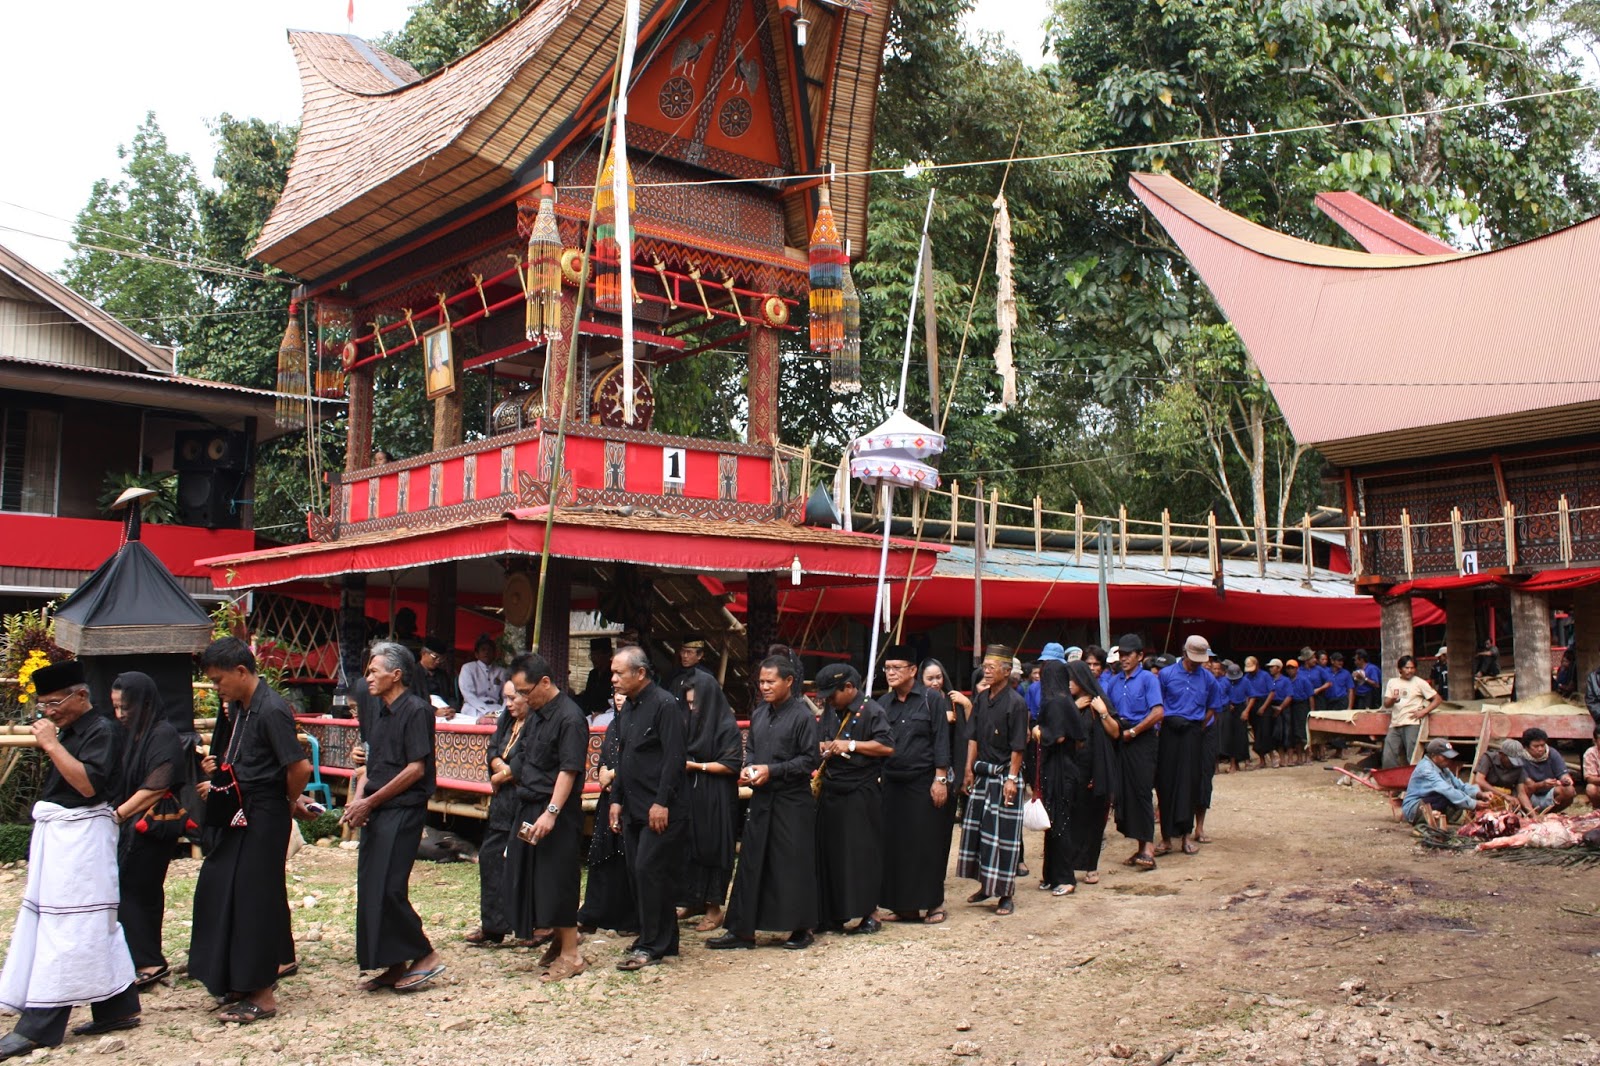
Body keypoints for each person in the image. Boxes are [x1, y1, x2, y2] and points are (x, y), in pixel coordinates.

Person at [0, 660, 139, 1059]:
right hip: (64, 834)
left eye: (54, 703)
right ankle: (117, 1007)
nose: (49, 712)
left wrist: (51, 744)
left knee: (68, 924)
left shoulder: (102, 730)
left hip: (83, 837)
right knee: (94, 922)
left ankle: (41, 1024)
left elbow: (88, 785)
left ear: (80, 696)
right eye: (43, 705)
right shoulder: (73, 730)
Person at [189, 638, 313, 1024]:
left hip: (264, 813)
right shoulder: (240, 706)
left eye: (218, 680)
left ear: (241, 672)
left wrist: (287, 802)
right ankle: (236, 980)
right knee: (221, 888)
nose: (216, 688)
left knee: (254, 900)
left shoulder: (271, 708)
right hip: (241, 810)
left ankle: (262, 994)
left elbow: (300, 768)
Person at [344, 643, 442, 992]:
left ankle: (424, 954)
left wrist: (370, 802)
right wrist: (359, 801)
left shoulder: (416, 710)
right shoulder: (380, 712)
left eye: (374, 672)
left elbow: (415, 769)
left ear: (396, 675)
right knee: (372, 887)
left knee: (390, 886)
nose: (368, 678)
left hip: (403, 809)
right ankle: (394, 962)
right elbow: (372, 766)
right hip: (376, 808)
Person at [709, 656, 820, 950]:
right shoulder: (759, 713)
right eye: (761, 682)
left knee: (792, 863)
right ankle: (742, 930)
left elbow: (810, 760)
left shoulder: (803, 716)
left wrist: (773, 770)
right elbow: (754, 750)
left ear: (789, 681)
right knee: (751, 861)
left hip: (792, 799)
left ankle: (801, 927)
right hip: (762, 797)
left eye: (771, 681)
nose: (765, 687)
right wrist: (750, 768)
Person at [504, 653, 589, 981]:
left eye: (526, 692)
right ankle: (558, 939)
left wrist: (551, 813)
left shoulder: (570, 717)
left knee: (557, 878)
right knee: (533, 877)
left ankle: (572, 955)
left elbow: (569, 770)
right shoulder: (537, 714)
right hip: (529, 804)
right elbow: (525, 755)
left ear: (545, 682)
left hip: (555, 810)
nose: (524, 699)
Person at [608, 646, 688, 971]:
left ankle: (651, 944)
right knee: (637, 873)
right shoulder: (628, 707)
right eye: (612, 673)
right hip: (632, 805)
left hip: (659, 807)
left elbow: (674, 758)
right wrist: (615, 799)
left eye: (619, 673)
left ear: (640, 673)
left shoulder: (665, 705)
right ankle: (661, 938)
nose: (614, 679)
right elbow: (623, 757)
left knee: (649, 870)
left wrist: (662, 801)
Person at [110, 672, 186, 991]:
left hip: (150, 827)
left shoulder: (162, 734)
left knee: (138, 891)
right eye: (115, 707)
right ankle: (137, 958)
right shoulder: (131, 734)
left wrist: (118, 815)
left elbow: (158, 785)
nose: (120, 714)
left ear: (143, 703)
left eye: (125, 707)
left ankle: (149, 962)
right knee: (131, 890)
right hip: (130, 825)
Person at [812, 664, 894, 934]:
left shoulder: (872, 710)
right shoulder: (830, 710)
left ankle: (870, 913)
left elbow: (887, 746)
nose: (829, 701)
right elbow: (823, 738)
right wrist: (824, 746)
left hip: (860, 790)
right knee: (832, 854)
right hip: (832, 789)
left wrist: (852, 745)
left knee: (860, 854)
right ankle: (834, 913)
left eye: (832, 695)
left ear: (848, 687)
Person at [880, 646, 955, 925]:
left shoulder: (930, 699)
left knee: (926, 842)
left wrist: (940, 778)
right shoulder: (883, 703)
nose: (891, 673)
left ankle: (934, 903)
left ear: (913, 670)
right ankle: (904, 906)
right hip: (892, 782)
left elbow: (941, 739)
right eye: (887, 668)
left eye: (896, 668)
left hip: (923, 781)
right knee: (896, 844)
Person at [957, 644, 1030, 915]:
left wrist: (1012, 779)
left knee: (1004, 837)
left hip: (1004, 775)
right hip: (983, 774)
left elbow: (1018, 747)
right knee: (980, 833)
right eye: (985, 667)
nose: (986, 671)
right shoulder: (981, 698)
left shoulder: (1016, 703)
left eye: (992, 667)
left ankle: (1006, 894)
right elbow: (973, 737)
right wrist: (968, 770)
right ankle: (986, 886)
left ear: (1007, 671)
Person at [676, 667, 742, 933]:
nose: (692, 708)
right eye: (689, 703)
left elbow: (732, 764)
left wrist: (697, 766)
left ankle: (714, 908)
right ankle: (692, 901)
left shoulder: (725, 725)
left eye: (696, 703)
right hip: (691, 793)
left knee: (713, 846)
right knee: (689, 845)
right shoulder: (688, 724)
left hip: (717, 795)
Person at [465, 679, 528, 946]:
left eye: (514, 698)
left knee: (521, 861)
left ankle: (526, 925)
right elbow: (492, 749)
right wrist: (502, 769)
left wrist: (502, 774)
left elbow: (528, 760)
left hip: (525, 802)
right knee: (490, 857)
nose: (509, 704)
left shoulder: (537, 722)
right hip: (503, 802)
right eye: (506, 698)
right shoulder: (507, 720)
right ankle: (493, 924)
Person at [1103, 633, 1164, 870]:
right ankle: (1140, 848)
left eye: (1129, 654)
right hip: (1121, 739)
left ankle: (1148, 847)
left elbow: (1158, 712)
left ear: (1140, 656)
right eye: (1122, 654)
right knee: (1125, 794)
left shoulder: (1148, 679)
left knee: (1141, 791)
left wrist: (1135, 731)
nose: (1124, 658)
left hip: (1142, 739)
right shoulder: (1114, 682)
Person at [576, 709, 638, 937]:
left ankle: (628, 919)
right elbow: (605, 756)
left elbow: (640, 759)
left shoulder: (641, 723)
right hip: (609, 800)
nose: (620, 699)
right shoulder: (615, 725)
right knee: (603, 854)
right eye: (616, 695)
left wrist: (614, 775)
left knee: (627, 858)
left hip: (632, 799)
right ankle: (595, 913)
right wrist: (603, 771)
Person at [1152, 636, 1211, 857]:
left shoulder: (1207, 678)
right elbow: (1158, 704)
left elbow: (1213, 706)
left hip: (1193, 733)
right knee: (1165, 782)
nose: (1196, 663)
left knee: (1190, 783)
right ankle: (1166, 837)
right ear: (1184, 653)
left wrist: (1197, 727)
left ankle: (1186, 835)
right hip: (1169, 732)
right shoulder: (1166, 675)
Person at [1064, 658, 1119, 885]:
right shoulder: (1067, 703)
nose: (1068, 684)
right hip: (1070, 769)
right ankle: (1068, 865)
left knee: (1094, 819)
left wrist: (1103, 712)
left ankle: (1091, 866)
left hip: (1095, 769)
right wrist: (1074, 709)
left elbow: (1115, 733)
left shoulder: (1099, 701)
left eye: (1072, 679)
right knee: (1071, 820)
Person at [1035, 659, 1087, 895]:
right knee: (1054, 823)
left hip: (1059, 771)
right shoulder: (1066, 701)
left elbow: (1057, 736)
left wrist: (1038, 732)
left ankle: (1065, 878)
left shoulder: (1056, 702)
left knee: (1060, 824)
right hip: (1064, 767)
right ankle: (1051, 875)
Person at [1381, 655, 1441, 769]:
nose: (1410, 671)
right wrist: (1393, 699)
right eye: (1407, 668)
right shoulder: (1392, 682)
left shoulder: (1420, 682)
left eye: (1412, 668)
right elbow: (1386, 704)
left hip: (1412, 723)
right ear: (1400, 669)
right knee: (1389, 754)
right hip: (1395, 723)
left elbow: (1437, 699)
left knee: (1413, 755)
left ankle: (1416, 776)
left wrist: (1424, 711)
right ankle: (1391, 776)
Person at [1401, 739, 1481, 825]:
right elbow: (1446, 789)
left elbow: (1459, 785)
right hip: (1414, 808)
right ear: (1433, 755)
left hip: (1430, 802)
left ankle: (1441, 821)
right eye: (1444, 757)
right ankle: (1427, 822)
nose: (1448, 760)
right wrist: (1474, 804)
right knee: (1449, 795)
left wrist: (1479, 794)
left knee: (1456, 794)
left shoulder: (1443, 768)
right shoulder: (1426, 769)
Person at [1194, 657, 1229, 843]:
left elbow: (1214, 707)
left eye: (1209, 660)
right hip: (1184, 732)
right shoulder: (1181, 677)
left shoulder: (1212, 682)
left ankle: (1199, 827)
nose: (1207, 664)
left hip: (1205, 731)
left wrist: (1200, 726)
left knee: (1204, 779)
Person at [1518, 727, 1575, 813]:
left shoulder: (1552, 753)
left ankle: (1551, 813)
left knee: (1569, 790)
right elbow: (1527, 785)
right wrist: (1542, 784)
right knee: (1523, 788)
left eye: (1542, 745)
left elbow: (1563, 773)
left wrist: (1565, 780)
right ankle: (1530, 813)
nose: (1540, 749)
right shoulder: (1520, 757)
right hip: (1530, 796)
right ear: (1526, 747)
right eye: (1536, 746)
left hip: (1549, 793)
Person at [1471, 739, 1533, 815]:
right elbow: (1479, 780)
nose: (1513, 764)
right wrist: (1503, 795)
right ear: (1501, 754)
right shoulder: (1488, 758)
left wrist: (1532, 814)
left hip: (1508, 798)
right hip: (1487, 794)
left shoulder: (1519, 766)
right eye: (1510, 760)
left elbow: (1521, 793)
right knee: (1476, 789)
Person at [456, 635, 506, 722]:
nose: (486, 652)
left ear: (495, 654)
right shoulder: (468, 668)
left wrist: (502, 711)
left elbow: (507, 696)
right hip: (473, 708)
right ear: (476, 654)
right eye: (483, 650)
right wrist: (486, 711)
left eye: (489, 650)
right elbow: (468, 695)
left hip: (495, 708)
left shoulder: (501, 671)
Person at [418, 638, 460, 716]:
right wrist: (434, 711)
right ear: (424, 653)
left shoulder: (442, 674)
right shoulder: (412, 673)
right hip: (423, 711)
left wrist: (452, 708)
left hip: (445, 709)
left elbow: (451, 696)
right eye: (435, 657)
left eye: (441, 658)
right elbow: (413, 699)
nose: (438, 661)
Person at [1221, 659, 1250, 773]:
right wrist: (1228, 703)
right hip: (1229, 709)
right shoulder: (1225, 681)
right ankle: (1233, 763)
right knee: (1230, 736)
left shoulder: (1245, 681)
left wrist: (1246, 711)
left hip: (1241, 708)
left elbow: (1251, 696)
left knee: (1242, 736)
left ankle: (1245, 760)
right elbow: (1222, 693)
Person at [576, 637, 614, 716]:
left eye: (596, 655)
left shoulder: (613, 674)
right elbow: (587, 697)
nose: (593, 659)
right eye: (592, 655)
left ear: (607, 655)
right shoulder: (593, 674)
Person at [1264, 659, 1291, 768]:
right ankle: (1275, 758)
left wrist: (1280, 707)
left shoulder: (1285, 680)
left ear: (1279, 668)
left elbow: (1289, 696)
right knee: (1273, 733)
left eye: (1273, 667)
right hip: (1271, 706)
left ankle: (1284, 759)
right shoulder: (1268, 680)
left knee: (1284, 733)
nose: (1270, 669)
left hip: (1282, 706)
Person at [1583, 726, 1600, 809]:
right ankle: (1597, 809)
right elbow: (1590, 778)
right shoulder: (1590, 753)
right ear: (1595, 740)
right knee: (1591, 788)